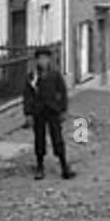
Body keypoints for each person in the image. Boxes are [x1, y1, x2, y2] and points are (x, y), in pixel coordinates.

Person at [22, 46, 76, 181]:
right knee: (39, 139)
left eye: (45, 59)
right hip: (38, 111)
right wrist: (28, 113)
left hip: (53, 110)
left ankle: (64, 166)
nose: (43, 62)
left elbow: (62, 92)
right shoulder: (32, 76)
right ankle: (40, 166)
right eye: (40, 59)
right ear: (36, 61)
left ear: (49, 60)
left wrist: (63, 109)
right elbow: (27, 95)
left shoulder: (55, 75)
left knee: (57, 137)